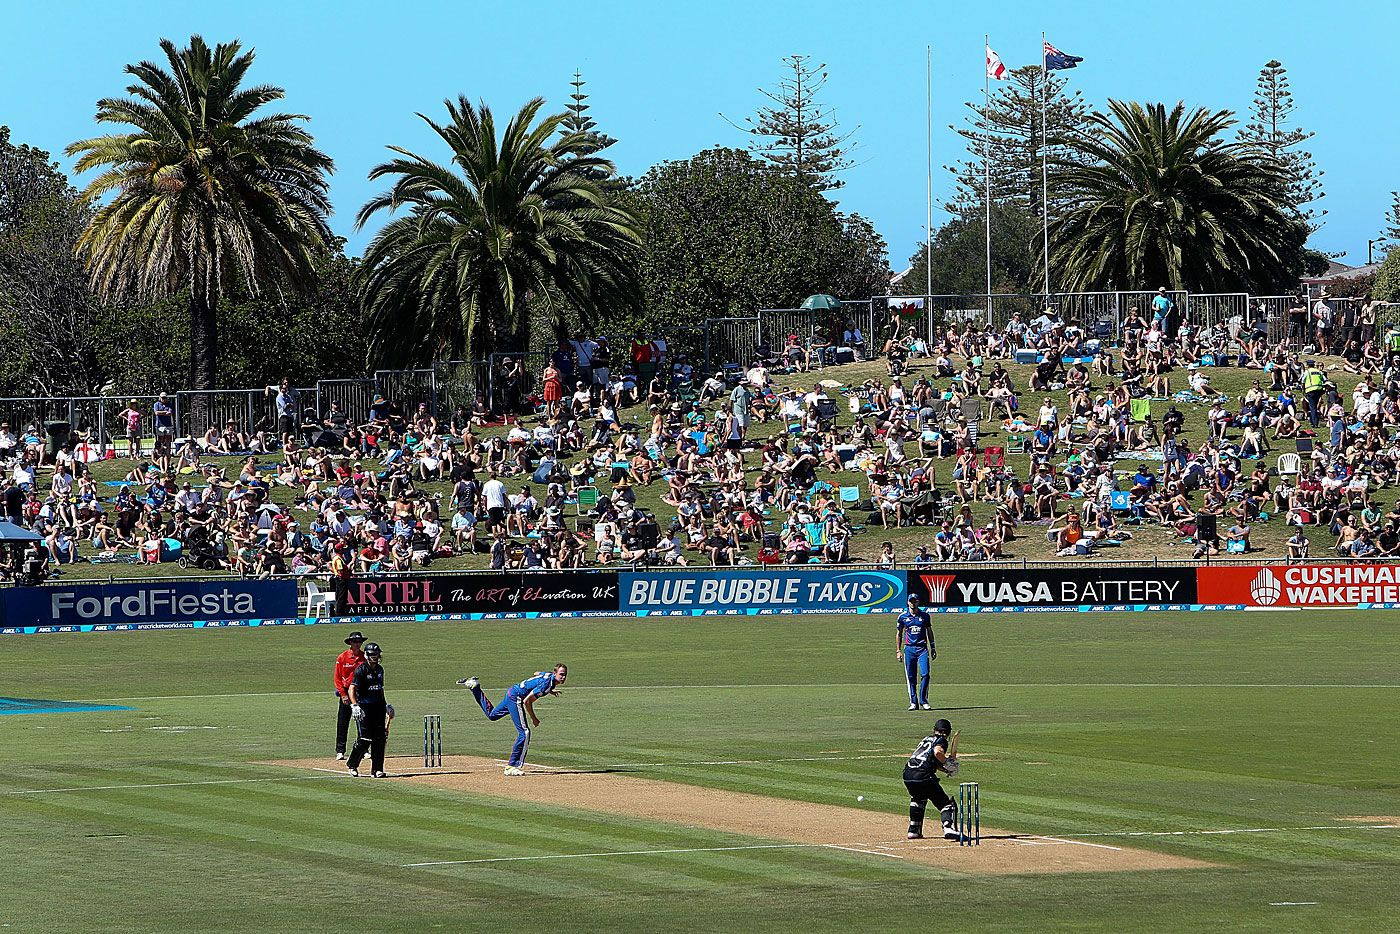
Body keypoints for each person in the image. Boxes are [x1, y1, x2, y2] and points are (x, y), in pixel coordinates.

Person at [458, 664, 568, 775]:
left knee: (492, 715)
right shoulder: (547, 684)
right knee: (524, 732)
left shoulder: (548, 676)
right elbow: (527, 701)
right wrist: (534, 718)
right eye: (561, 674)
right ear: (555, 673)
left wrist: (549, 691)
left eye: (565, 675)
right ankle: (512, 766)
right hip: (516, 698)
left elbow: (537, 673)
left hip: (512, 691)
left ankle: (475, 687)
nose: (563, 677)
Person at [903, 718, 961, 841]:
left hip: (908, 774)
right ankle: (948, 828)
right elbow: (937, 752)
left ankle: (914, 831)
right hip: (923, 776)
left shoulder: (926, 739)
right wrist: (947, 762)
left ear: (934, 729)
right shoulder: (942, 740)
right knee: (946, 804)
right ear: (948, 732)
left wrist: (946, 769)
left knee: (918, 799)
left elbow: (929, 761)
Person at [347, 641, 390, 778]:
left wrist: (386, 705)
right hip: (364, 708)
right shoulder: (361, 670)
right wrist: (354, 705)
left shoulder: (380, 670)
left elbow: (380, 689)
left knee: (380, 739)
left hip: (378, 707)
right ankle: (352, 764)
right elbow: (352, 688)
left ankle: (377, 769)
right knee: (365, 739)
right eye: (372, 654)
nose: (375, 657)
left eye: (377, 654)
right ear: (366, 655)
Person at [896, 594, 935, 711]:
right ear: (908, 602)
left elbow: (929, 631)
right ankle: (914, 702)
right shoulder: (902, 617)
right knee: (911, 677)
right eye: (911, 601)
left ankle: (924, 701)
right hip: (909, 649)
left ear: (918, 602)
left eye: (915, 601)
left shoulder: (925, 616)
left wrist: (933, 647)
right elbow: (899, 634)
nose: (913, 603)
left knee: (925, 674)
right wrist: (898, 651)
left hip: (922, 648)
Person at [332, 631, 367, 760]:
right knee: (343, 722)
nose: (357, 644)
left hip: (361, 692)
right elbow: (337, 678)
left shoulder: (364, 657)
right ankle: (340, 750)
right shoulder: (342, 657)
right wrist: (342, 694)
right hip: (346, 692)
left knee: (362, 721)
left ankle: (363, 749)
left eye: (359, 642)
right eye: (354, 642)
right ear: (350, 643)